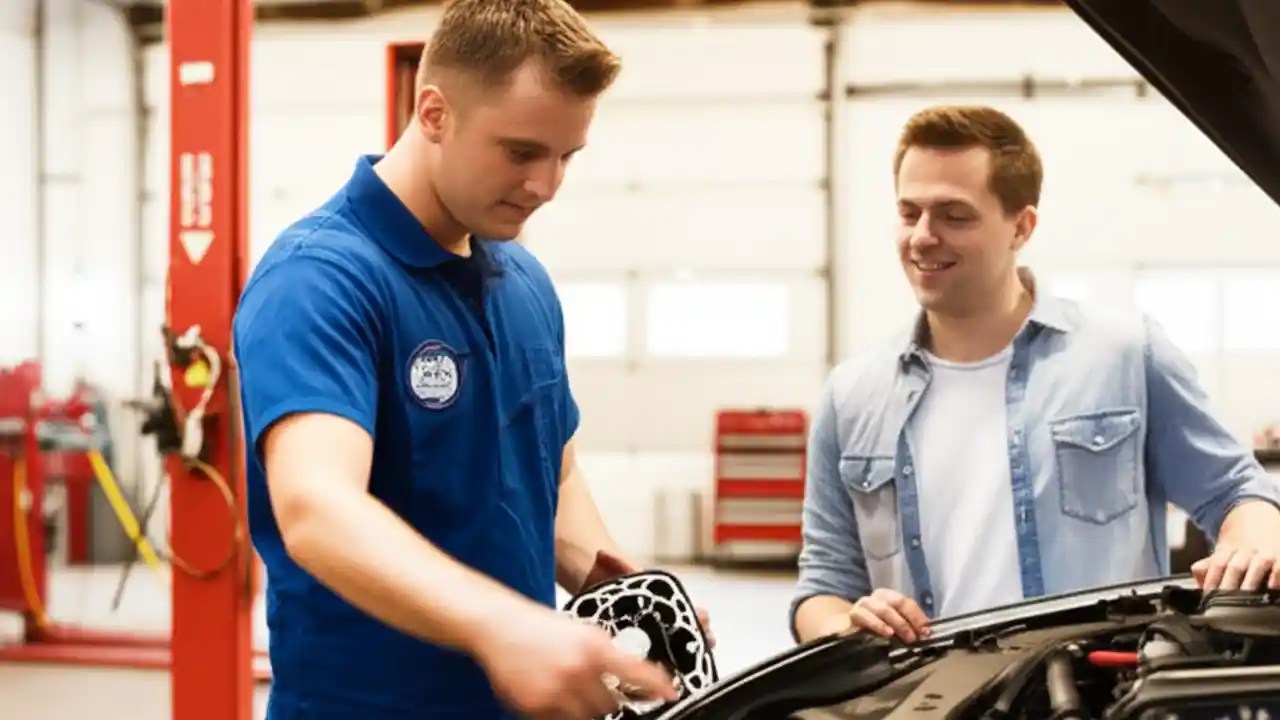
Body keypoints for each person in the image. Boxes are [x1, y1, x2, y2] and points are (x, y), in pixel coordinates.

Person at [232, 1, 707, 717]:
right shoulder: (318, 280)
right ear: (434, 113)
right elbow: (317, 507)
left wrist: (618, 594)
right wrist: (503, 627)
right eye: (520, 152)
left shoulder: (524, 281)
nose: (546, 186)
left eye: (566, 157)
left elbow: (552, 476)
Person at [790, 105, 1280, 645]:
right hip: (927, 689)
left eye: (955, 216)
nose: (923, 237)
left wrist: (1255, 539)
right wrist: (844, 624)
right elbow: (823, 588)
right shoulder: (852, 396)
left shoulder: (1123, 356)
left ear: (1021, 227)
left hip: (1095, 684)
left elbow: (1238, 492)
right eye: (910, 213)